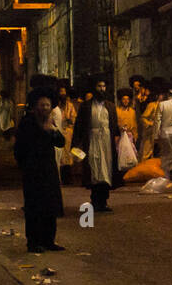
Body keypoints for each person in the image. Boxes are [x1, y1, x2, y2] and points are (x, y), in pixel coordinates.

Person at [15, 86, 66, 253]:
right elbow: (20, 148)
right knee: (34, 207)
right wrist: (25, 166)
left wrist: (52, 131)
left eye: (47, 105)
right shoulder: (28, 122)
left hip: (49, 170)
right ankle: (34, 242)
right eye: (42, 105)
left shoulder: (50, 123)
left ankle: (49, 240)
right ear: (36, 106)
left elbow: (61, 142)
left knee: (50, 206)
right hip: (33, 171)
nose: (45, 108)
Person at [74, 78, 119, 212]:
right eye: (99, 86)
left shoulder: (110, 106)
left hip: (106, 141)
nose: (102, 89)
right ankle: (95, 200)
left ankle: (103, 201)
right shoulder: (86, 106)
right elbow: (79, 126)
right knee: (94, 170)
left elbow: (114, 125)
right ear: (94, 88)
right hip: (92, 140)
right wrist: (76, 144)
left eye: (104, 86)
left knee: (106, 171)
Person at [115, 88, 140, 175]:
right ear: (121, 100)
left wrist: (135, 136)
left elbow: (134, 125)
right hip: (119, 135)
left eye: (127, 99)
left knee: (130, 156)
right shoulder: (116, 111)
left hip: (129, 136)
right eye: (123, 99)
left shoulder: (132, 111)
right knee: (120, 155)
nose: (125, 101)